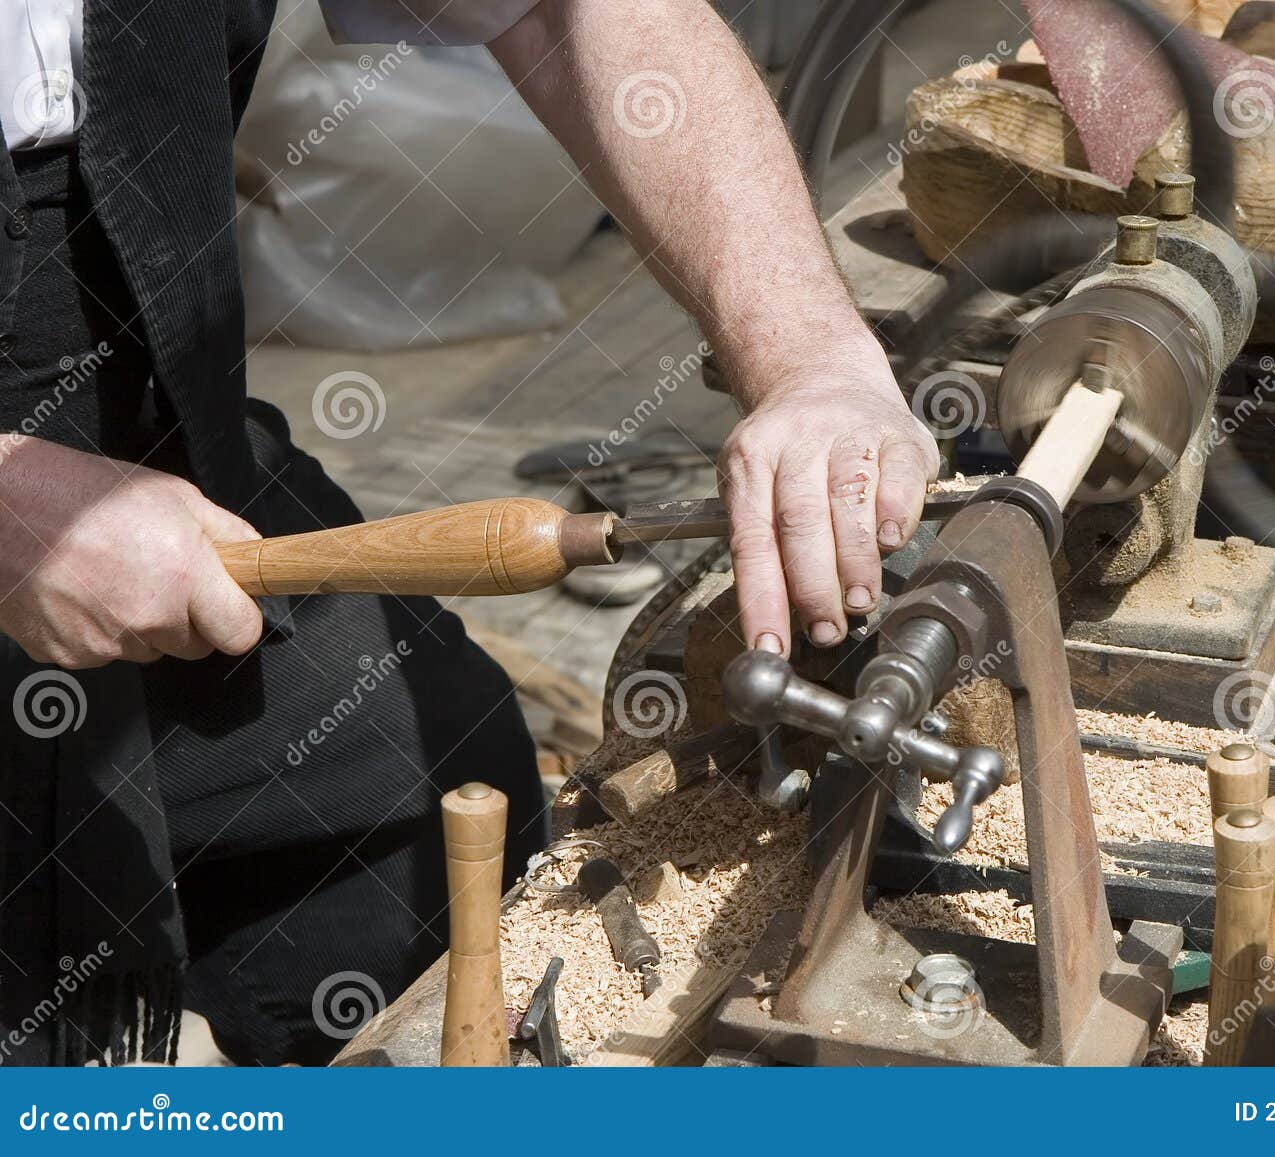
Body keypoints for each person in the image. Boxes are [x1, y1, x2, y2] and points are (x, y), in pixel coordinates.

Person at [0, 0, 936, 1065]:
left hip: (161, 424)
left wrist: (811, 356)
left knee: (427, 792)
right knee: (50, 1021)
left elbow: (566, 14)